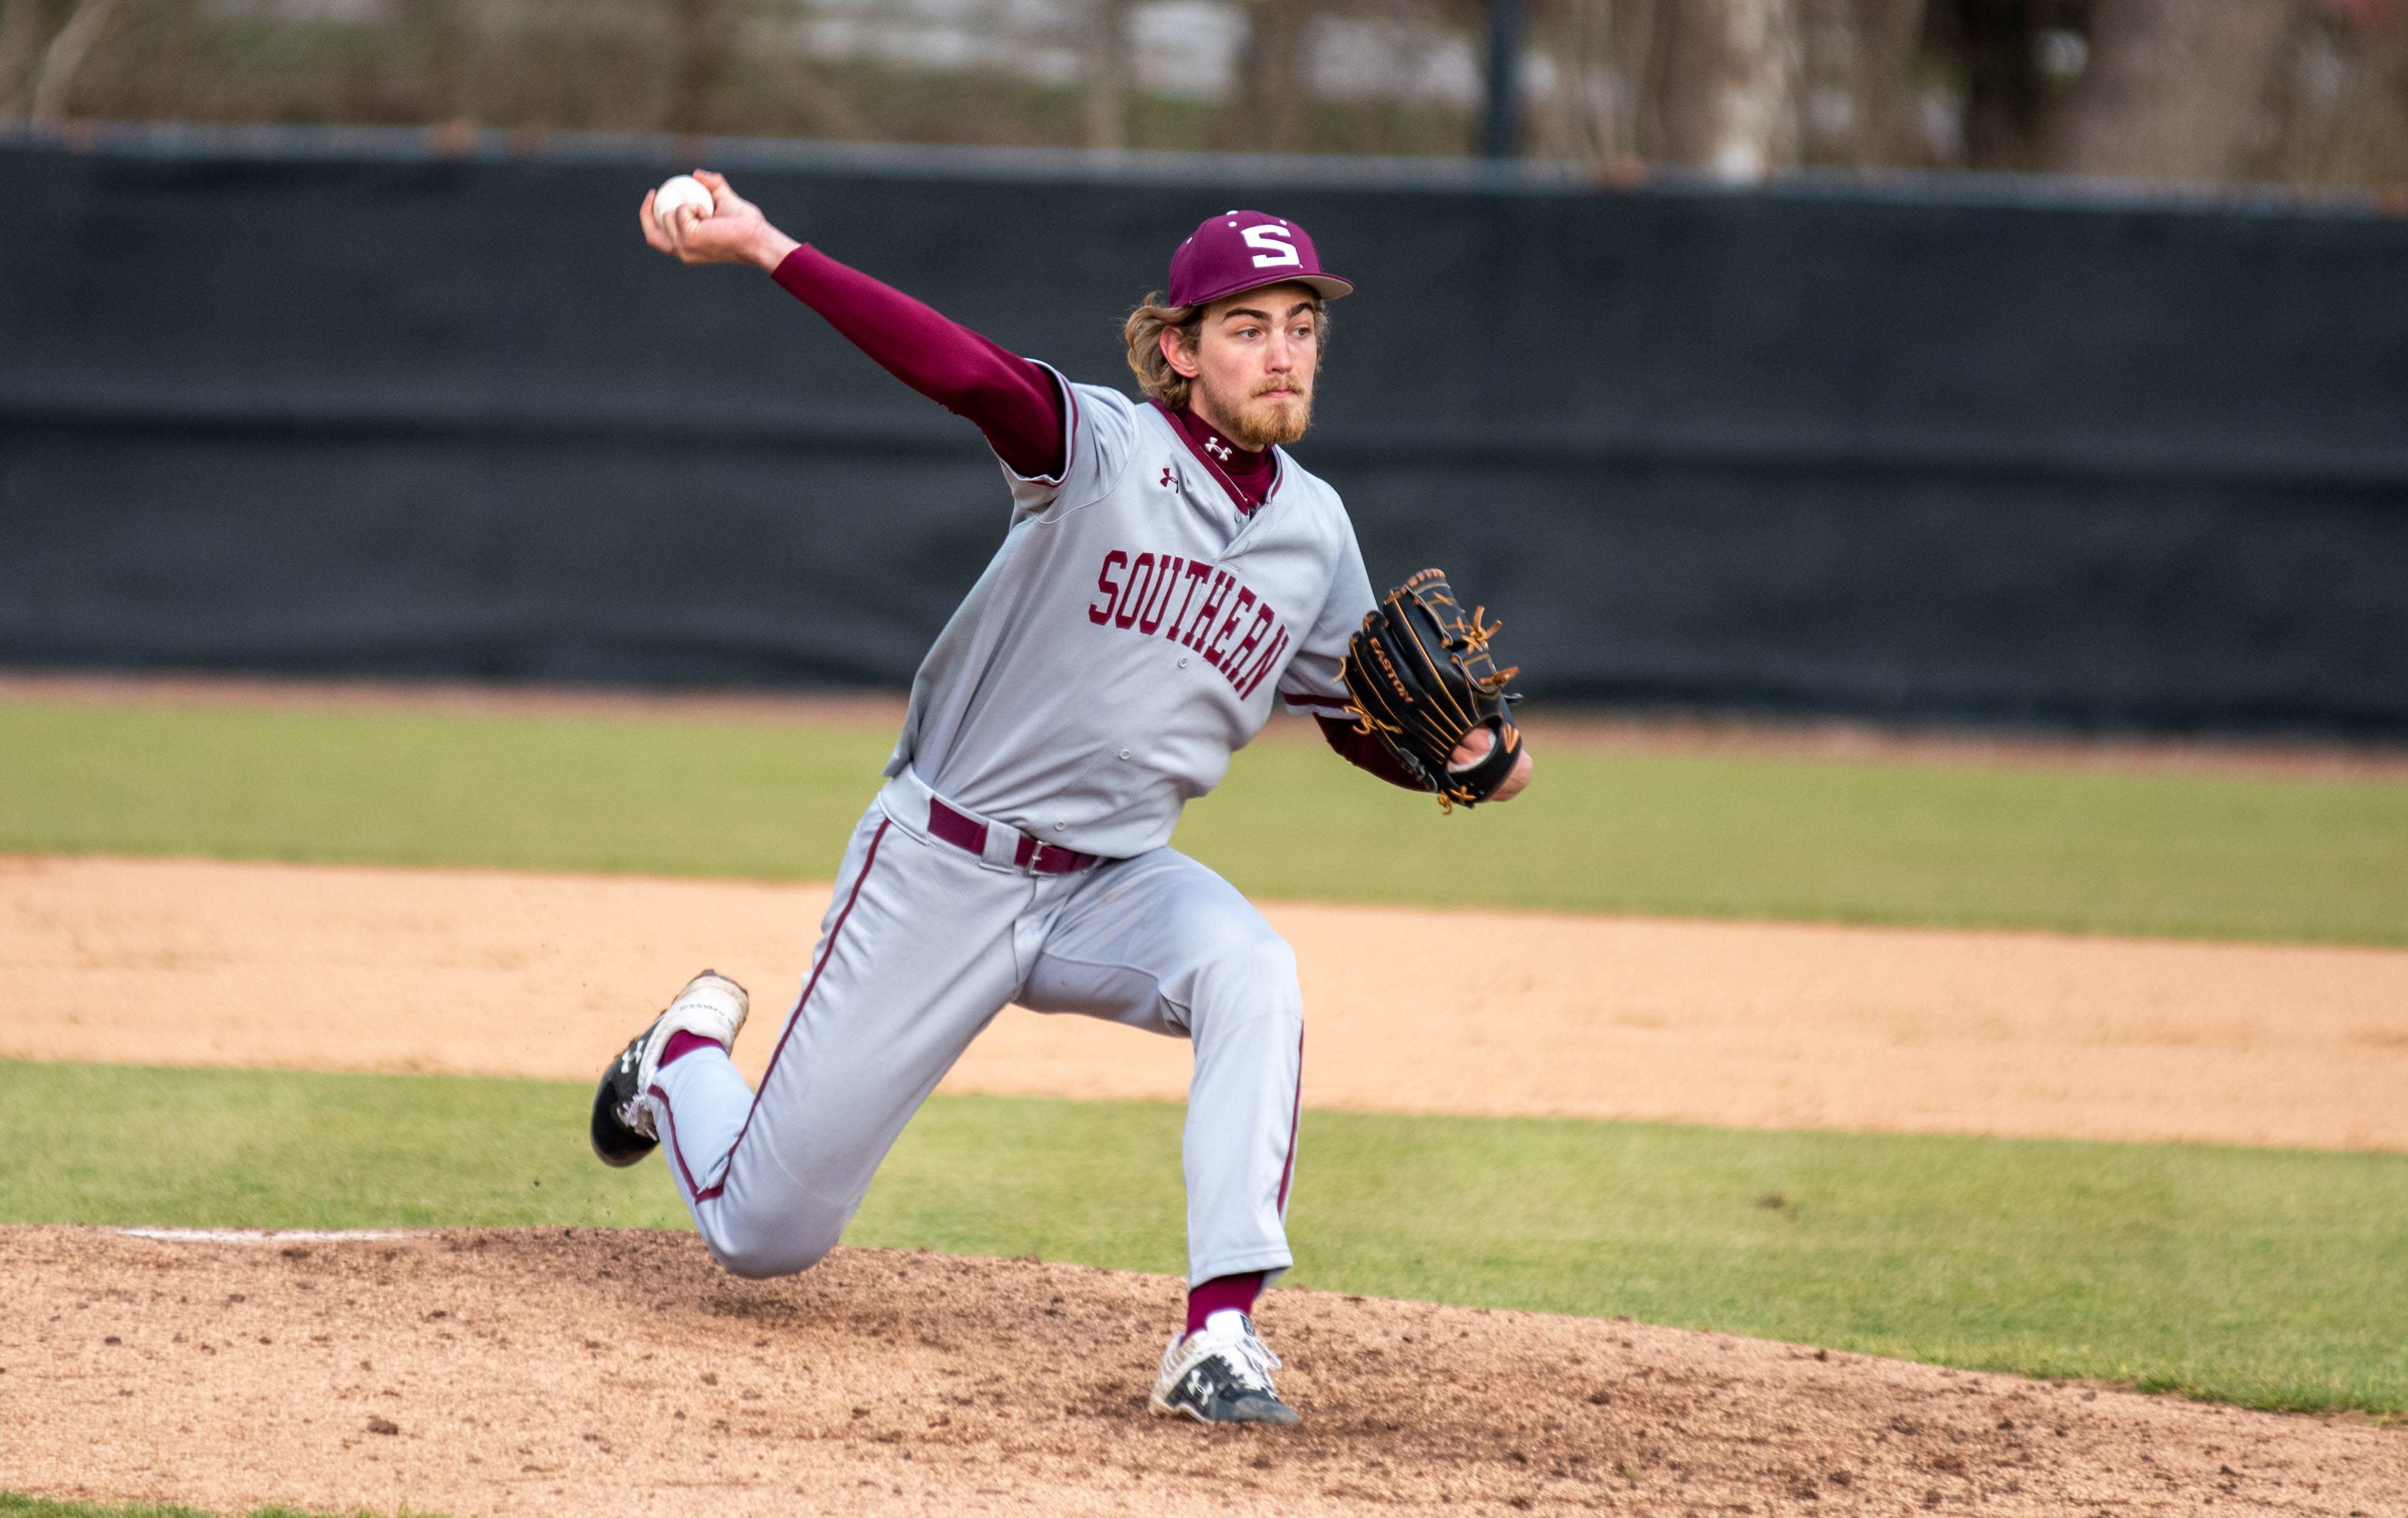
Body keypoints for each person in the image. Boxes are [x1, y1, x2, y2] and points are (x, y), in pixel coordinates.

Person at [590, 170, 1535, 1427]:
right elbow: (967, 373)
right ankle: (684, 1058)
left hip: (1112, 882)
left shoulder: (1316, 528)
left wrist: (1457, 756)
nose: (1283, 352)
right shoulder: (1098, 446)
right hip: (943, 867)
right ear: (1178, 350)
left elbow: (1351, 707)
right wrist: (771, 247)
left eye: (1302, 324)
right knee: (766, 1233)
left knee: (1250, 968)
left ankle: (1220, 1332)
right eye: (1247, 326)